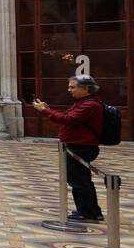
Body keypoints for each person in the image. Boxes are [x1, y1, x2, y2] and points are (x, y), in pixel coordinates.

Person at [32, 75, 106, 222]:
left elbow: (68, 120)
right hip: (77, 146)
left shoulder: (89, 105)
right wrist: (48, 109)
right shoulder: (82, 103)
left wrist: (44, 111)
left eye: (73, 87)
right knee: (81, 179)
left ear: (85, 88)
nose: (69, 90)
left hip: (81, 147)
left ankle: (87, 212)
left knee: (79, 181)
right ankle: (90, 210)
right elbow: (68, 117)